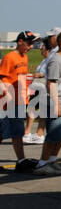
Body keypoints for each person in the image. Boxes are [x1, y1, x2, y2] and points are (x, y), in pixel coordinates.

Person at [35, 31, 61, 176]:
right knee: (53, 135)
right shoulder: (55, 60)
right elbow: (51, 83)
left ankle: (52, 161)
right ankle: (42, 164)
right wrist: (57, 104)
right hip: (56, 102)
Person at [0, 31, 37, 169]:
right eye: (29, 43)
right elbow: (2, 78)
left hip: (20, 99)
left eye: (32, 43)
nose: (31, 46)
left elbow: (21, 76)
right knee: (16, 131)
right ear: (20, 42)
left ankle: (21, 160)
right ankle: (21, 160)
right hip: (9, 101)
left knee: (13, 131)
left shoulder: (24, 57)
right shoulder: (10, 57)